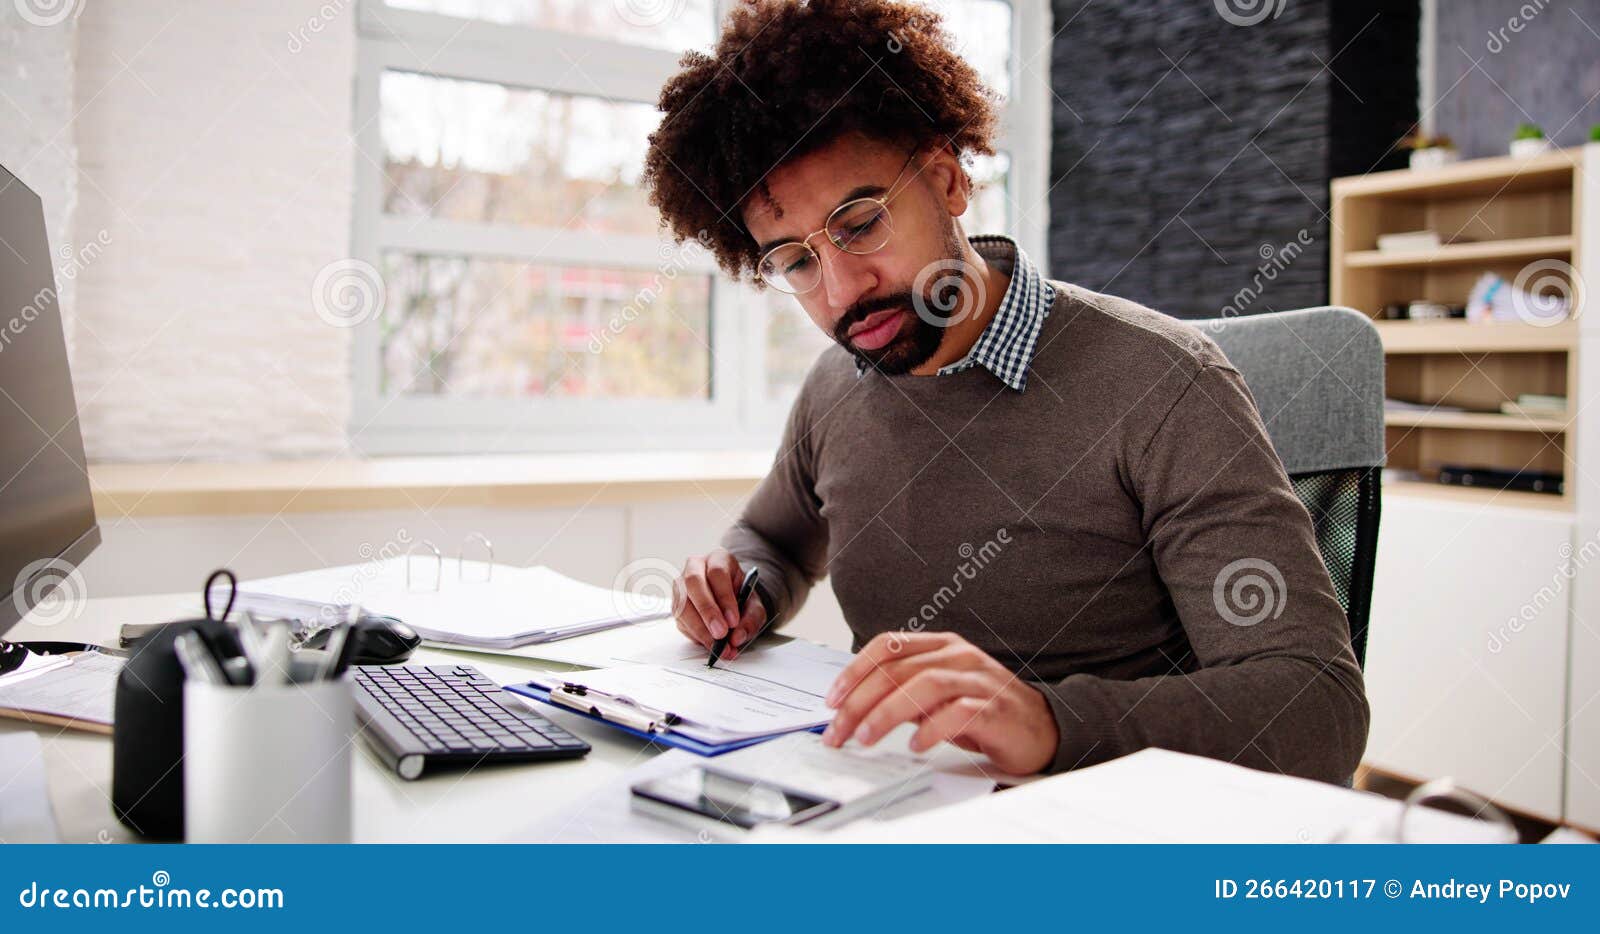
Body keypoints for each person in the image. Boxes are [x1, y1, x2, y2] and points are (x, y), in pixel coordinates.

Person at [642, 0, 1367, 780]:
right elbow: (775, 542)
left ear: (948, 179)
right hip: (883, 804)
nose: (841, 290)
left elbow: (1315, 706)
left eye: (859, 224)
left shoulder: (1163, 383)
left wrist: (1051, 722)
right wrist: (738, 587)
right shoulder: (835, 386)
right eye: (796, 262)